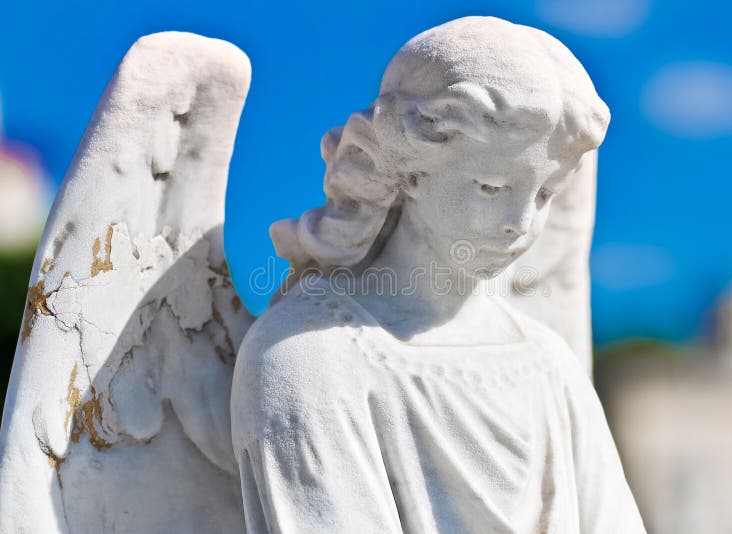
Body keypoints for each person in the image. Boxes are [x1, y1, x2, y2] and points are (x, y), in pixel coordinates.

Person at [232, 16, 645, 533]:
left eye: (543, 195)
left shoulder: (548, 364)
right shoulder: (309, 357)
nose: (521, 225)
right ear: (409, 168)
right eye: (491, 187)